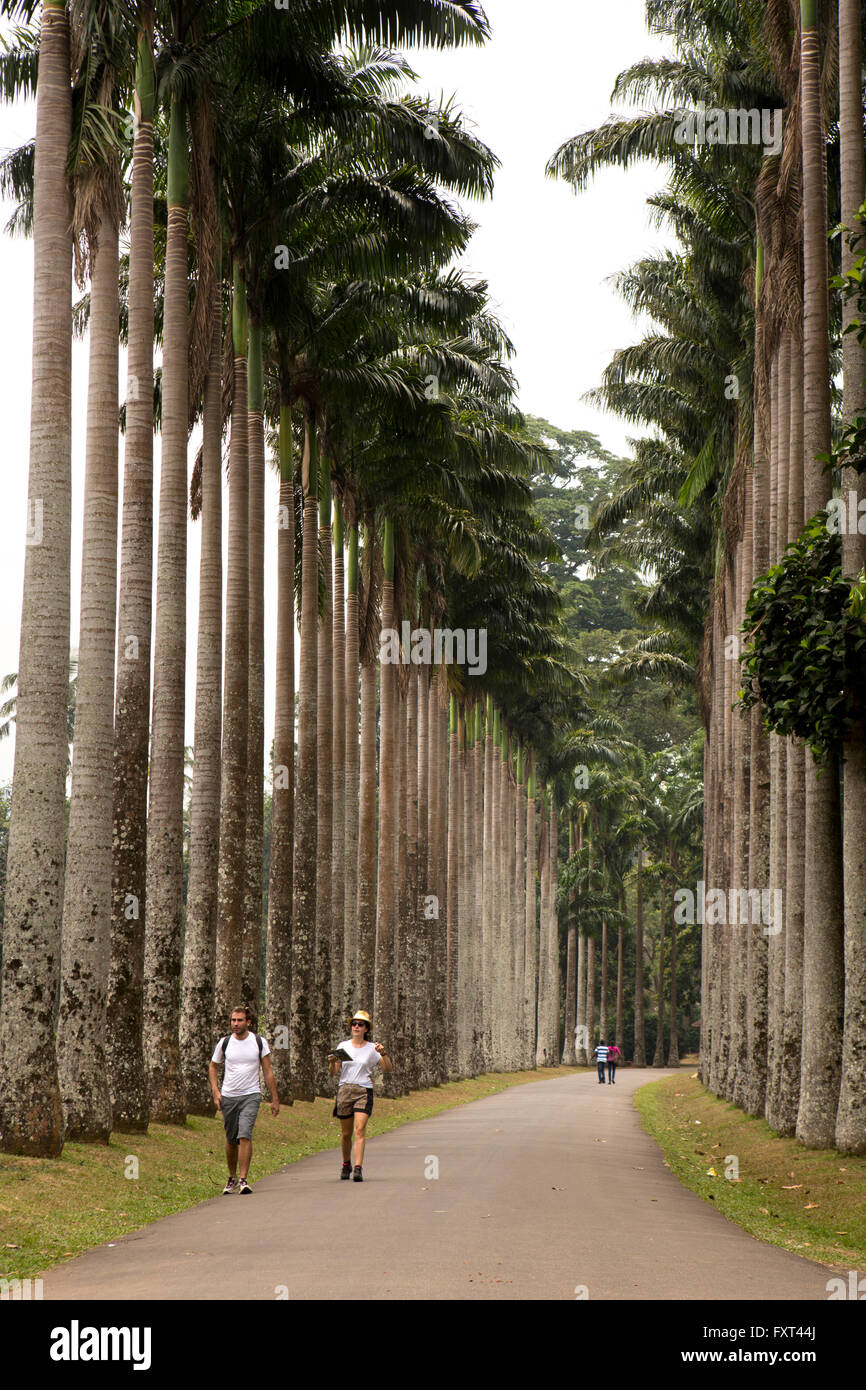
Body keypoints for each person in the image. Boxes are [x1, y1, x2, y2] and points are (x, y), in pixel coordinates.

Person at [209, 1005, 279, 1195]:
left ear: (248, 1022)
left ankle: (243, 1179)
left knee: (244, 1134)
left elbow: (267, 1070)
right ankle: (231, 1178)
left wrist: (274, 1098)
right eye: (233, 1020)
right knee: (231, 1139)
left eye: (239, 1020)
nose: (235, 1024)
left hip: (251, 1095)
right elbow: (213, 1066)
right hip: (229, 1096)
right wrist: (216, 1091)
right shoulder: (224, 1043)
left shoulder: (258, 1041)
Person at [328, 1010, 392, 1182]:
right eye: (354, 1024)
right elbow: (334, 1072)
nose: (356, 1027)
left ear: (366, 1029)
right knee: (346, 1133)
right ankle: (346, 1163)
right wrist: (332, 1063)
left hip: (363, 1090)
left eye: (360, 1024)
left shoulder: (373, 1048)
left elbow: (387, 1068)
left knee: (360, 1129)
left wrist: (384, 1054)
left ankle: (358, 1168)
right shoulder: (343, 1046)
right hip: (345, 1090)